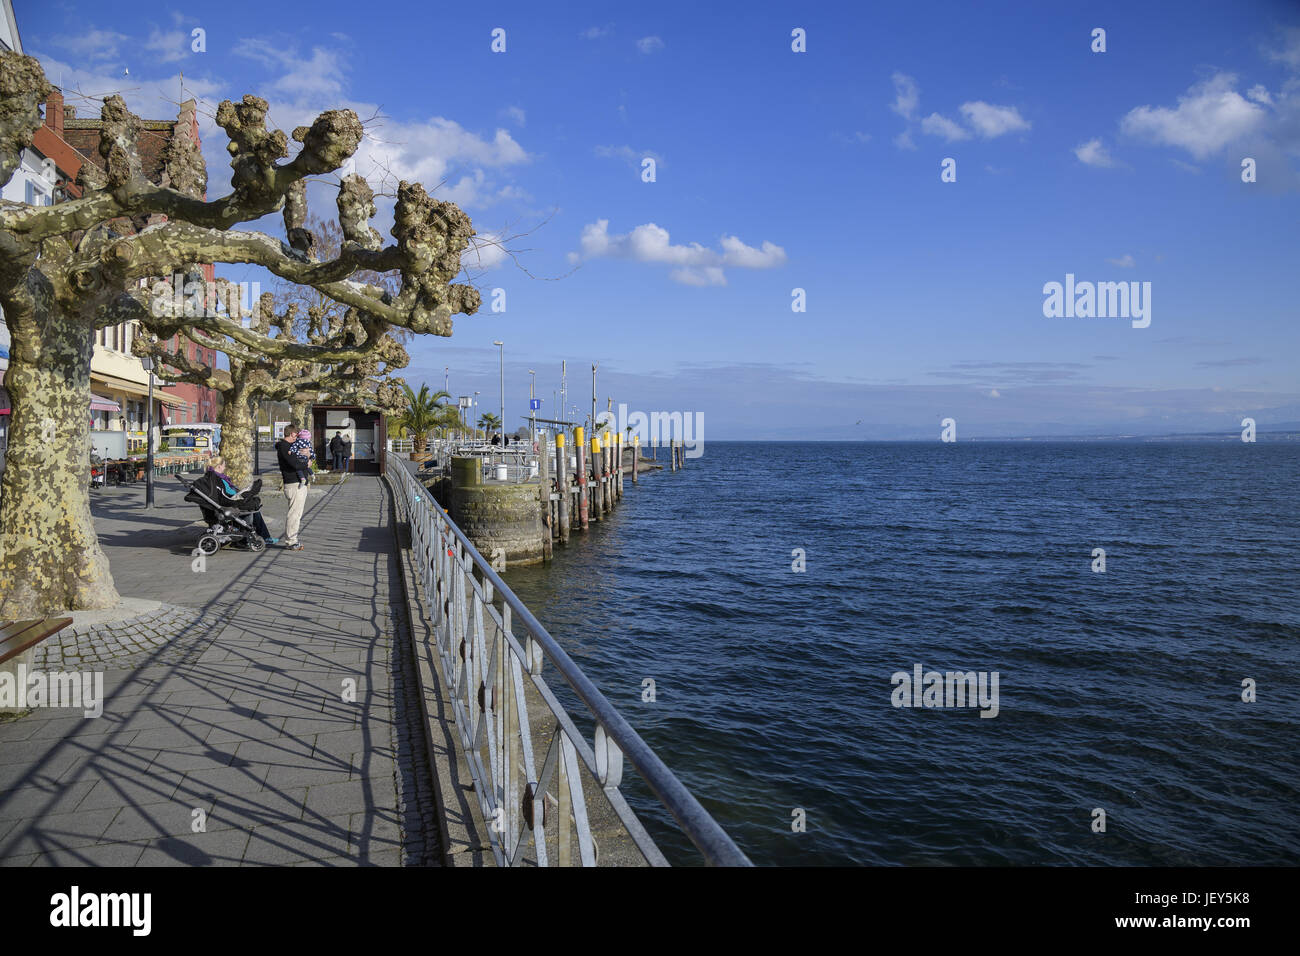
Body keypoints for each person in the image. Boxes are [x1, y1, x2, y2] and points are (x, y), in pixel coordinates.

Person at [202, 456, 276, 544]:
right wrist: (240, 494)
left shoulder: (214, 478)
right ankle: (251, 539)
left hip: (225, 502)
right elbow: (228, 493)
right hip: (226, 505)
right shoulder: (218, 479)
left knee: (255, 508)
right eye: (224, 465)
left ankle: (265, 537)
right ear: (219, 466)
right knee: (252, 508)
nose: (225, 467)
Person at [275, 423, 308, 551]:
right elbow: (294, 463)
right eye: (296, 434)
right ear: (291, 433)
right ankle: (291, 541)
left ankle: (292, 539)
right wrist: (306, 461)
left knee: (296, 514)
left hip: (297, 483)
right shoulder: (285, 447)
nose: (297, 437)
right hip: (294, 484)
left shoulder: (289, 446)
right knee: (294, 514)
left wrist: (306, 456)